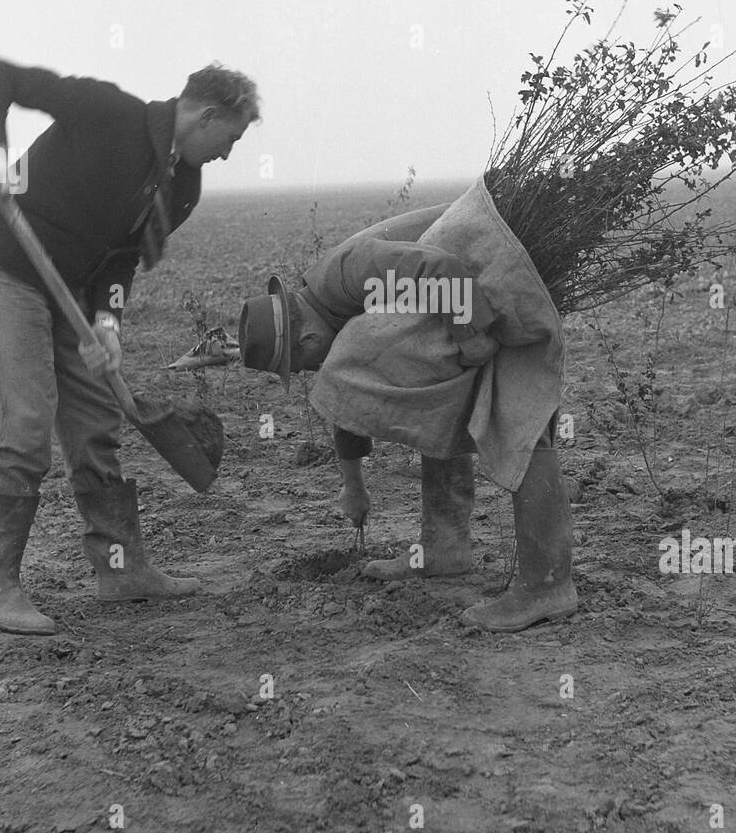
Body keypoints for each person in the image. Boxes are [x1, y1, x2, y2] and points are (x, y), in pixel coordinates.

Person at [0, 57, 259, 635]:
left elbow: (122, 259)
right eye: (232, 137)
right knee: (26, 426)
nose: (229, 152)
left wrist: (106, 325)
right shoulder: (108, 112)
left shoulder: (185, 187)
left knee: (95, 422)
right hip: (5, 267)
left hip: (69, 287)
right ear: (207, 114)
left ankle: (121, 569)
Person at [238, 180, 577, 632]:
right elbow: (352, 400)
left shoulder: (349, 270)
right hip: (479, 289)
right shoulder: (330, 305)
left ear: (307, 340)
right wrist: (352, 485)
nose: (308, 372)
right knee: (434, 397)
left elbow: (442, 269)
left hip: (502, 270)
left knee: (520, 417)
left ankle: (548, 585)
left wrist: (471, 338)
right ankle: (444, 549)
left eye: (301, 365)